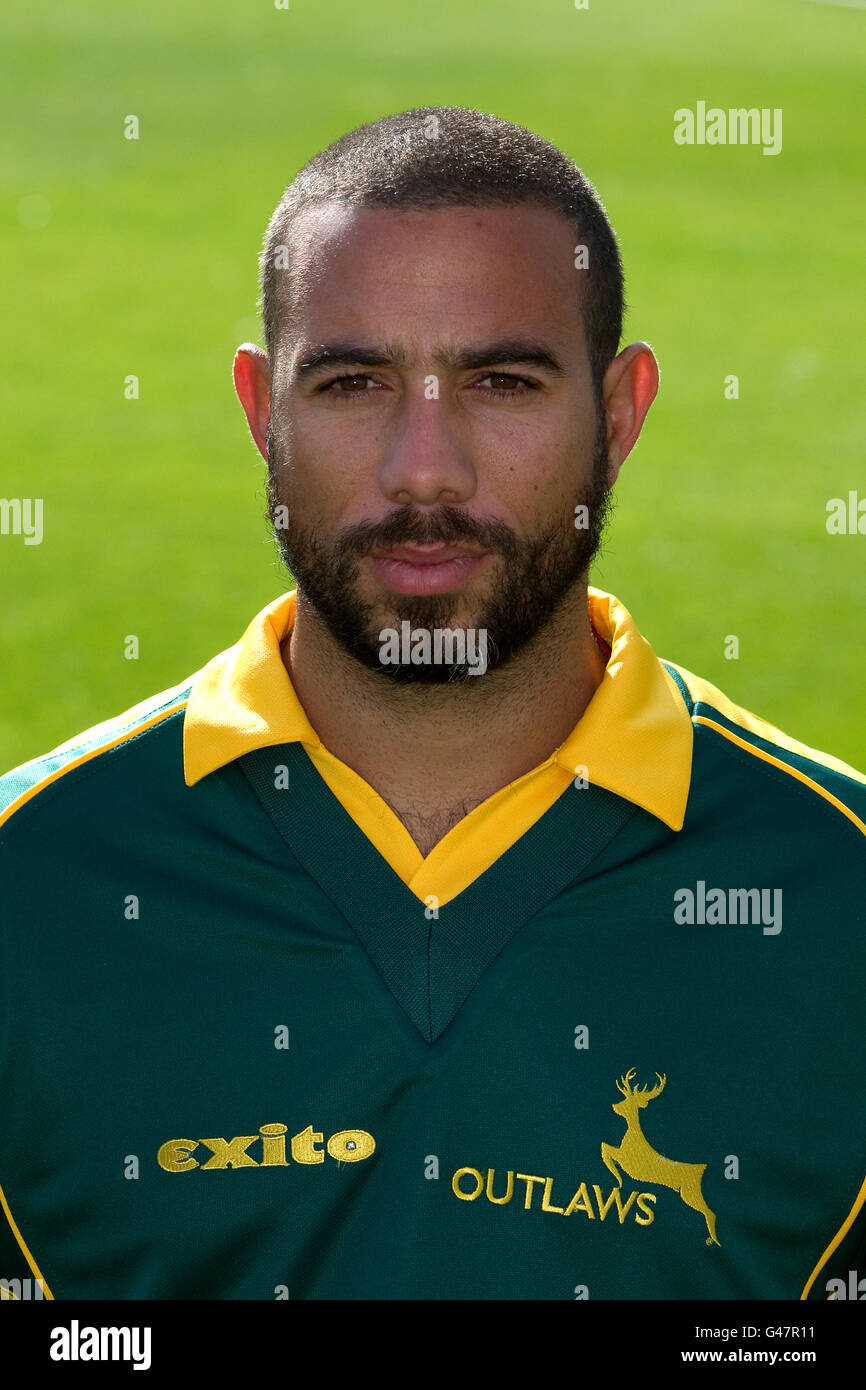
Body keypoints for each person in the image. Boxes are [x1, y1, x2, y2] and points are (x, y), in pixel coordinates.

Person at [1, 107, 863, 1303]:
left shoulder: (836, 891)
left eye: (500, 382)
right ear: (263, 413)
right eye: (352, 382)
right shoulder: (29, 880)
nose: (423, 469)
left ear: (617, 414)